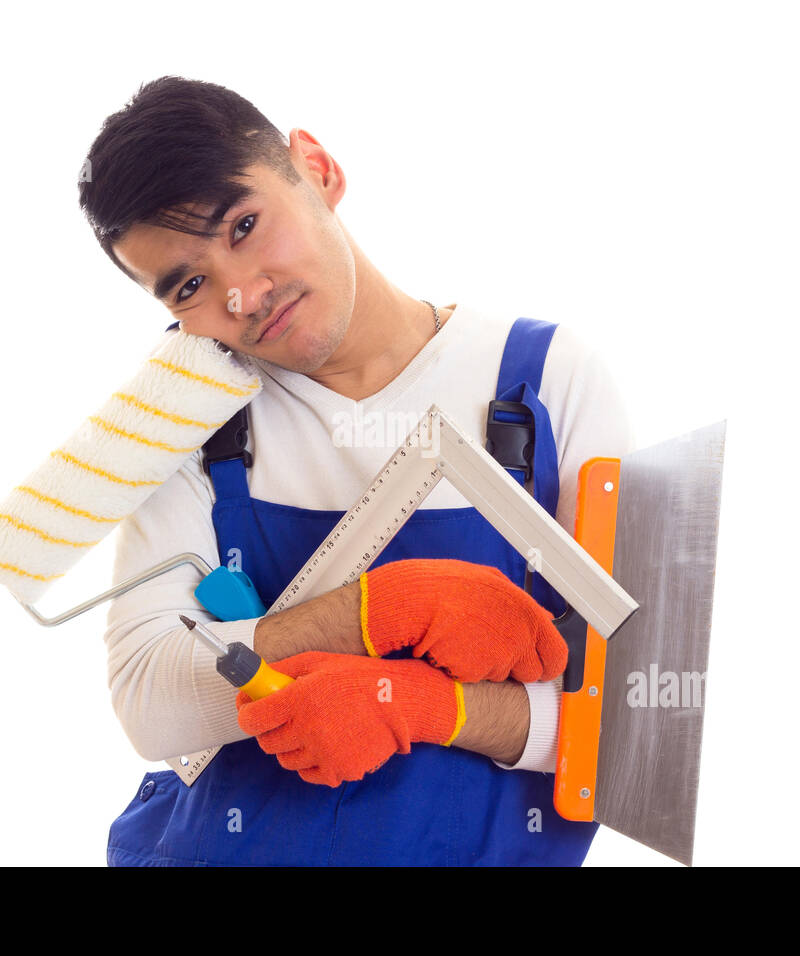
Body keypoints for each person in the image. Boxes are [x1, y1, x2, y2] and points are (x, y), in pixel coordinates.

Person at [77, 76, 635, 865]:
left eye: (244, 225)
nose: (243, 295)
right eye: (191, 286)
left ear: (317, 167)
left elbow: (630, 727)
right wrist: (377, 613)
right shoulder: (187, 418)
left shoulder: (542, 385)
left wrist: (429, 706)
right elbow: (150, 703)